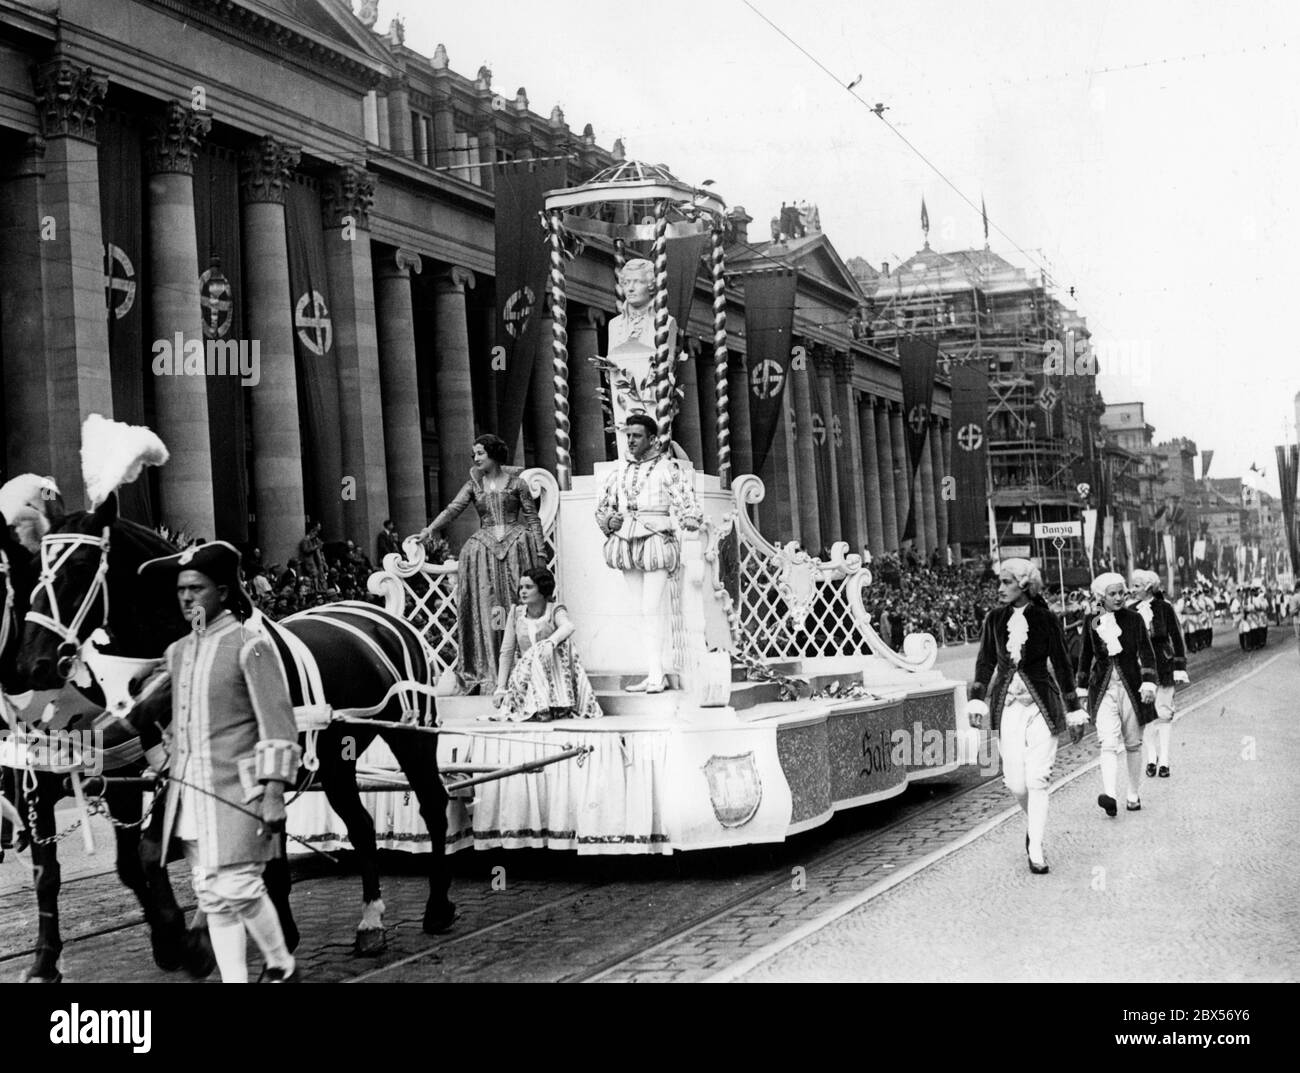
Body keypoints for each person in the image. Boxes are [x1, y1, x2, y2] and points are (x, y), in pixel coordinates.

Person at [137, 541, 302, 983]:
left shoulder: (252, 647)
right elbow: (139, 712)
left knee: (240, 888)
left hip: (237, 795)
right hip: (190, 799)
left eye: (197, 588)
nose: (187, 598)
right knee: (212, 896)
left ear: (224, 592)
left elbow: (279, 727)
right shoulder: (178, 652)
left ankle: (282, 965)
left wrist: (273, 795)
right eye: (181, 591)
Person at [967, 558, 1086, 875]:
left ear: (1023, 583)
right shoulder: (994, 619)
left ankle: (1036, 848)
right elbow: (984, 663)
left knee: (1037, 780)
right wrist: (977, 700)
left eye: (1006, 582)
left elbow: (1062, 665)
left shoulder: (1046, 619)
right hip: (1007, 709)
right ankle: (1033, 825)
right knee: (1016, 783)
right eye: (1000, 582)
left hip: (1041, 707)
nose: (1000, 588)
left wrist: (1074, 709)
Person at [418, 433, 545, 694]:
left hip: (517, 547)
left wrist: (540, 552)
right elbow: (453, 509)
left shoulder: (518, 484)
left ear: (494, 455)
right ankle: (489, 670)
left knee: (516, 603)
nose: (476, 459)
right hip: (484, 551)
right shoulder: (473, 485)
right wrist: (429, 531)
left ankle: (522, 669)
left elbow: (533, 519)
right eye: (474, 454)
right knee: (489, 606)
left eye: (480, 453)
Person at [595, 413, 702, 692]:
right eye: (628, 435)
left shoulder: (667, 468)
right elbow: (602, 507)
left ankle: (657, 673)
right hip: (627, 543)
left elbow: (688, 502)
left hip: (655, 539)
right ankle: (654, 671)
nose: (630, 441)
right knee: (640, 611)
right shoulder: (619, 471)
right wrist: (609, 521)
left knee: (650, 608)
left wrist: (690, 517)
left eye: (637, 436)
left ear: (652, 439)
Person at [1077, 572, 1158, 818]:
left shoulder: (1134, 619)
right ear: (1101, 596)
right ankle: (1110, 795)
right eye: (1112, 594)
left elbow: (1146, 652)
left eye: (1122, 592)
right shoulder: (1093, 619)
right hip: (1102, 689)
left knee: (1133, 744)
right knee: (1108, 743)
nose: (1119, 597)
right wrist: (1081, 688)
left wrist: (1148, 683)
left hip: (1131, 688)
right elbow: (1085, 654)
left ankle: (1133, 795)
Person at [489, 567, 602, 722]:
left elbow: (568, 626)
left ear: (542, 589)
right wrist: (500, 688)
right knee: (539, 651)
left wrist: (550, 643)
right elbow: (507, 651)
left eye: (529, 587)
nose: (523, 591)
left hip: (553, 677)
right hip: (525, 677)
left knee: (561, 645)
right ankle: (540, 707)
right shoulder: (516, 613)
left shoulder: (554, 609)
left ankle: (555, 706)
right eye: (521, 587)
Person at [1129, 570, 1189, 779]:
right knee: (1145, 716)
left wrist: (1180, 665)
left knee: (1163, 712)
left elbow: (1176, 637)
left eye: (1136, 586)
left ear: (1147, 586)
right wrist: (1099, 604)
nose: (1131, 590)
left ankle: (1164, 760)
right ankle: (1151, 757)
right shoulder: (1130, 610)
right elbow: (1098, 623)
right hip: (1139, 669)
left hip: (1163, 666)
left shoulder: (1164, 608)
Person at [298, 522, 325, 592]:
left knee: (317, 574)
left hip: (313, 560)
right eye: (314, 533)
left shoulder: (313, 540)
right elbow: (305, 550)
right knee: (314, 574)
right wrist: (315, 547)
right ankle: (315, 589)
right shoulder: (305, 540)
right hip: (308, 561)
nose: (316, 535)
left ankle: (318, 588)